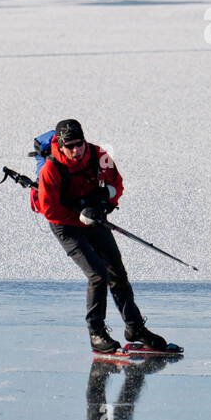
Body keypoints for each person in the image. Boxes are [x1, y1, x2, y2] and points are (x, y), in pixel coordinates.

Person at [35, 118, 169, 355]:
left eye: (79, 144)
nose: (76, 151)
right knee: (97, 274)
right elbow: (49, 210)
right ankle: (96, 333)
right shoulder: (50, 169)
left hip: (94, 217)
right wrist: (80, 216)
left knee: (117, 272)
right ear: (60, 145)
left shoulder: (99, 155)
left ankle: (134, 327)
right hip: (65, 225)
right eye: (70, 146)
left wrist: (103, 206)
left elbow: (117, 184)